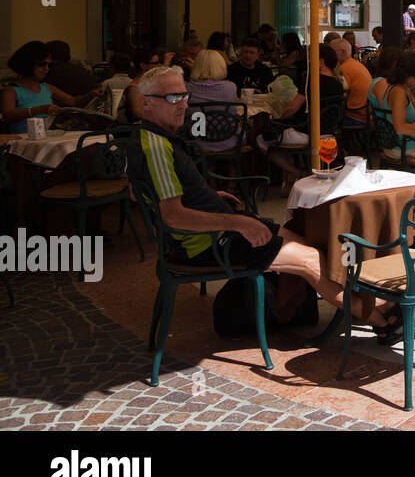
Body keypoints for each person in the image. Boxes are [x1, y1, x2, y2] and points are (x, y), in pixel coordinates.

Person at [125, 65, 399, 333]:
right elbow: (173, 215)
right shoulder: (156, 147)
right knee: (310, 260)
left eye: (184, 96)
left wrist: (208, 196)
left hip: (218, 232)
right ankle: (381, 320)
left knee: (306, 237)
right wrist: (237, 223)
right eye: (172, 97)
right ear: (145, 103)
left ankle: (285, 310)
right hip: (205, 244)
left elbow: (148, 192)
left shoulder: (154, 139)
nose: (182, 104)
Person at [257, 45, 345, 182]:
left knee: (262, 140)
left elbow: (292, 108)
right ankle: (295, 173)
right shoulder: (338, 84)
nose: (309, 61)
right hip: (328, 133)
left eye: (311, 58)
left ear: (320, 61)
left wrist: (279, 118)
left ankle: (296, 172)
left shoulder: (312, 82)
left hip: (306, 133)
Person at [2, 41, 101, 133]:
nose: (46, 69)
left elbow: (73, 101)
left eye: (49, 65)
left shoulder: (46, 87)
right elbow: (8, 115)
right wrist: (39, 109)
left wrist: (91, 94)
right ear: (29, 63)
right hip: (24, 139)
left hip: (48, 136)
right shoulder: (11, 90)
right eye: (42, 64)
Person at [381, 52, 415, 164]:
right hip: (402, 148)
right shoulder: (399, 92)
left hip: (402, 144)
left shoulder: (404, 89)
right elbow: (400, 127)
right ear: (404, 73)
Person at [187, 49, 241, 154]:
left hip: (198, 140)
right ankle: (234, 167)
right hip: (230, 139)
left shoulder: (187, 88)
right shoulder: (231, 87)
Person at [330, 38, 373, 123]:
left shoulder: (344, 69)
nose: (330, 55)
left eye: (332, 52)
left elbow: (339, 93)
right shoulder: (355, 64)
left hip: (355, 116)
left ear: (343, 52)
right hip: (367, 114)